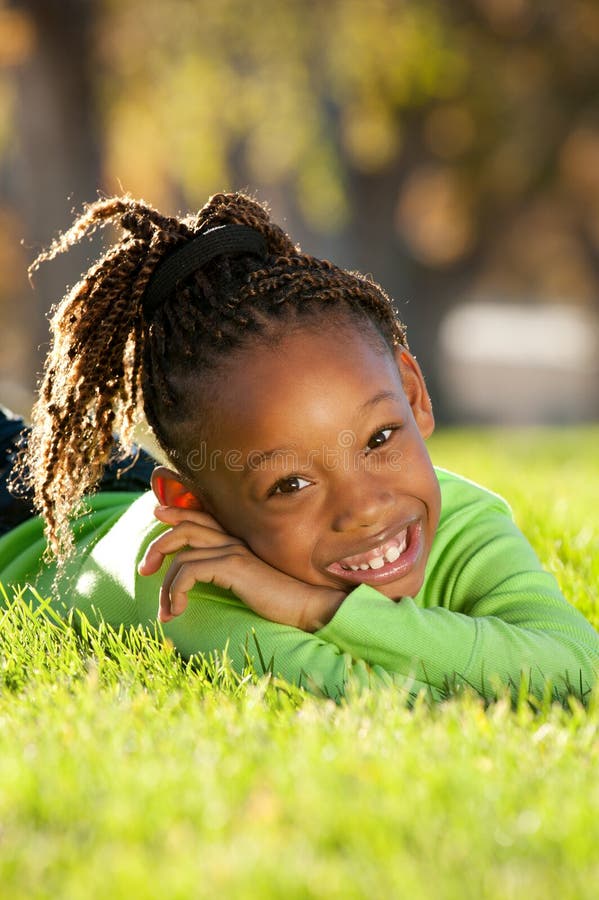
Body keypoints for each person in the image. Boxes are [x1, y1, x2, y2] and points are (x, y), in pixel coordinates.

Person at [0, 192, 597, 703]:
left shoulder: (464, 521)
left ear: (413, 394)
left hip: (111, 486)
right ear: (193, 509)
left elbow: (578, 667)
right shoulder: (186, 581)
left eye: (379, 438)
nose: (365, 508)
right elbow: (387, 700)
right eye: (291, 484)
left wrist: (312, 608)